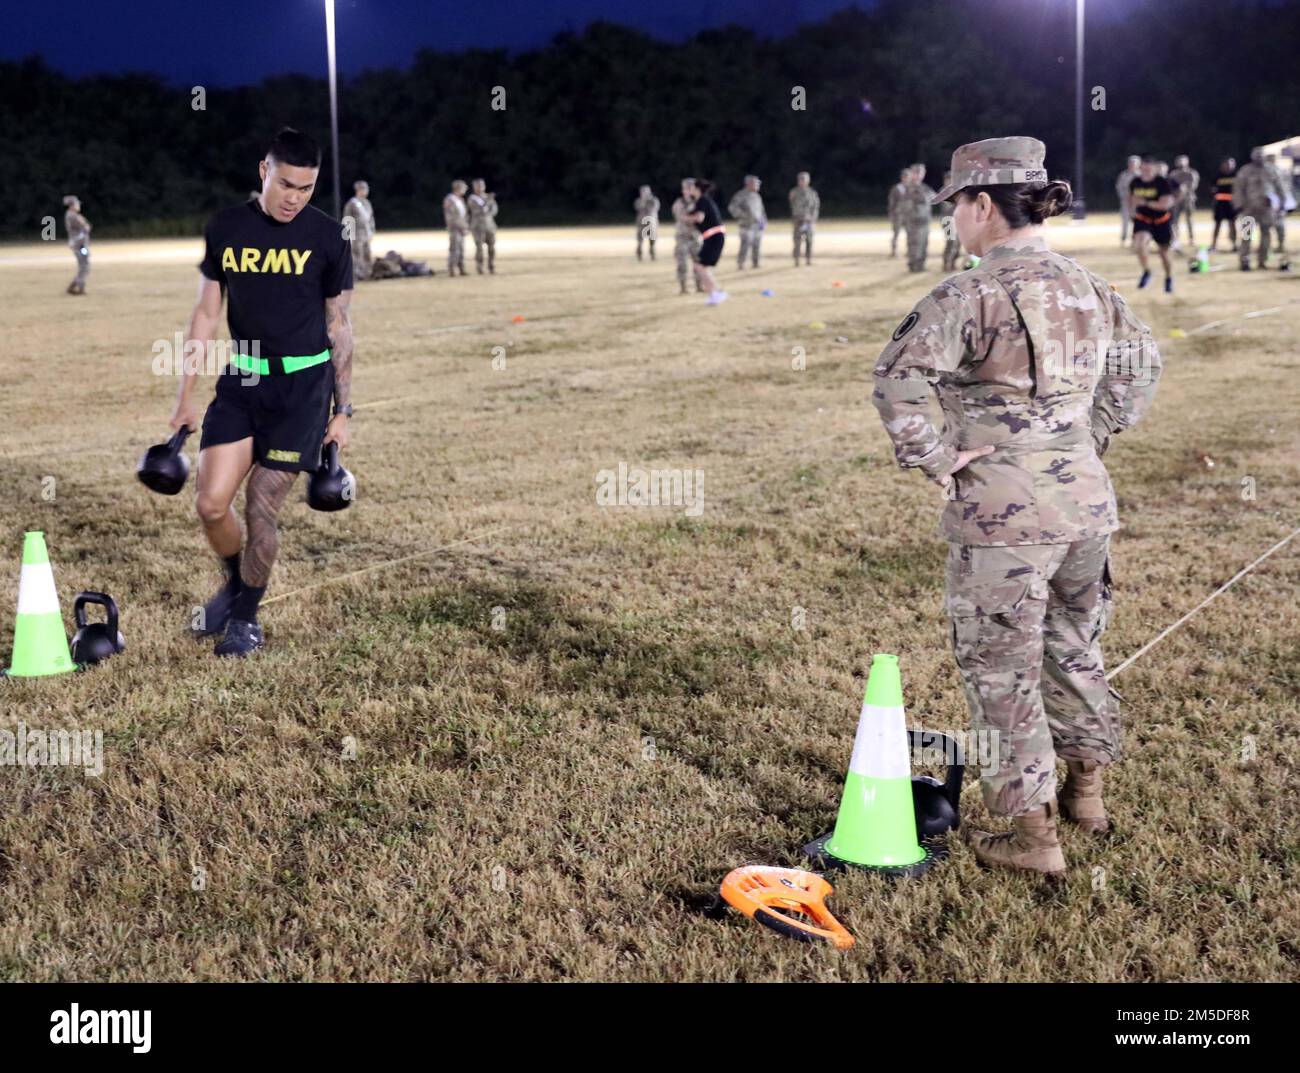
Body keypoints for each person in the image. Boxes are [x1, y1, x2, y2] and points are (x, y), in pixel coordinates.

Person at [872, 136, 1162, 877]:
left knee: (1001, 671)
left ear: (981, 205)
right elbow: (1139, 366)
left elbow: (896, 380)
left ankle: (1033, 838)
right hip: (1086, 507)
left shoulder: (966, 294)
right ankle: (1086, 795)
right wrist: (1086, 441)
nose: (953, 224)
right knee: (1074, 647)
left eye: (956, 208)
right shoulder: (1092, 287)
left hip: (1005, 519)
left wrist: (936, 457)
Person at [168, 127, 354, 657]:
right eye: (287, 184)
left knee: (261, 507)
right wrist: (185, 398)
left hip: (303, 388)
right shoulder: (226, 227)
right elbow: (207, 313)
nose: (295, 197)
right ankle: (234, 587)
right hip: (243, 380)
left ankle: (246, 619)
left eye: (308, 187)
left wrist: (343, 411)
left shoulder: (328, 236)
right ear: (263, 172)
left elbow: (338, 325)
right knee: (209, 504)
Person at [1232, 147, 1287, 271]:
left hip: (1267, 209)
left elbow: (1280, 187)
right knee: (1246, 235)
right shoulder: (1245, 171)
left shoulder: (1272, 170)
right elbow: (1238, 189)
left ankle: (1262, 260)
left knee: (1266, 235)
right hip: (1249, 209)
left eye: (1261, 156)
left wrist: (1282, 203)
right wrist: (1239, 205)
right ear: (1252, 157)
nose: (1259, 158)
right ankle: (1244, 260)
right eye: (1257, 156)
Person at [1128, 157, 1176, 292]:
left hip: (1162, 221)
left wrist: (1146, 202)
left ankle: (1168, 277)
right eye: (1143, 167)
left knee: (1164, 254)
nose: (1146, 170)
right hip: (1143, 219)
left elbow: (1164, 205)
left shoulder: (1162, 182)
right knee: (1139, 245)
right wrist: (1132, 211)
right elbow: (1131, 198)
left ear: (1154, 168)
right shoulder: (1135, 182)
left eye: (1149, 167)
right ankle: (1147, 271)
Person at [684, 178, 727, 304]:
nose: (689, 190)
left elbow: (699, 218)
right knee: (703, 267)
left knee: (700, 266)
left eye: (691, 188)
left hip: (714, 237)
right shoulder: (701, 201)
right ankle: (715, 293)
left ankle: (716, 294)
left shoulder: (702, 200)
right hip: (712, 237)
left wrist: (685, 217)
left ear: (697, 189)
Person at [671, 177, 704, 295]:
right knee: (682, 264)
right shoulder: (679, 203)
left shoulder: (699, 202)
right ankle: (683, 287)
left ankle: (699, 286)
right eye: (688, 188)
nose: (690, 190)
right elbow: (682, 217)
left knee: (699, 263)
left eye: (693, 188)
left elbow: (703, 218)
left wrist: (697, 218)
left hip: (695, 237)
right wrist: (695, 218)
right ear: (683, 190)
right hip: (682, 237)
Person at [901, 163, 936, 272]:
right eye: (918, 172)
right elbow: (913, 203)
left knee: (924, 243)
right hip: (914, 221)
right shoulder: (909, 187)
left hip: (924, 220)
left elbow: (934, 197)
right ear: (913, 173)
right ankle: (914, 266)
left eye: (922, 172)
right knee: (914, 245)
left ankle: (920, 265)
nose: (921, 175)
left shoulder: (923, 187)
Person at [728, 175, 767, 269]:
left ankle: (755, 262)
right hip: (746, 225)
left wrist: (764, 220)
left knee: (757, 244)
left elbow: (761, 210)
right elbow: (732, 208)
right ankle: (741, 263)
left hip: (757, 225)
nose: (758, 185)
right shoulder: (741, 195)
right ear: (749, 184)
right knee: (745, 244)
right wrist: (744, 216)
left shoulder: (757, 196)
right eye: (756, 183)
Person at [342, 180, 376, 281]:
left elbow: (371, 218)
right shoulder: (352, 203)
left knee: (367, 255)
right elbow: (347, 219)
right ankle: (356, 275)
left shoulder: (367, 203)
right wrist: (348, 237)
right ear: (358, 190)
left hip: (366, 233)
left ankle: (367, 274)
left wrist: (372, 231)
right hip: (356, 234)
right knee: (357, 255)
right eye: (364, 189)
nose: (366, 191)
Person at [467, 178, 499, 274]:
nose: (480, 187)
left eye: (482, 185)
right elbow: (478, 211)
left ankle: (491, 265)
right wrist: (488, 204)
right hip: (478, 227)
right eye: (478, 186)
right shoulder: (472, 199)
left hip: (490, 226)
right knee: (479, 248)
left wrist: (488, 205)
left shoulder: (487, 197)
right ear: (474, 187)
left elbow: (494, 210)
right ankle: (479, 267)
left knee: (492, 247)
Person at [789, 171, 820, 265]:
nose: (802, 181)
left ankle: (808, 259)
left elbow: (816, 206)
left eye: (804, 179)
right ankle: (797, 259)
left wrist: (812, 218)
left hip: (809, 221)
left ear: (808, 181)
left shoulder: (812, 193)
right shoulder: (794, 192)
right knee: (797, 240)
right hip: (798, 220)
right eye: (800, 179)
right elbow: (793, 205)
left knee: (809, 240)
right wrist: (798, 216)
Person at [62, 195, 91, 295]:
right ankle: (80, 288)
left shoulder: (70, 215)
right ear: (72, 205)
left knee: (83, 265)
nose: (79, 205)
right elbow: (85, 227)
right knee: (84, 266)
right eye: (77, 204)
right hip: (80, 244)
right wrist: (86, 226)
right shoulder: (73, 216)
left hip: (78, 243)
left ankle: (73, 286)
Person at [1168, 155, 1199, 246]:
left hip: (1188, 199)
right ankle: (1175, 238)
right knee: (1174, 220)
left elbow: (1193, 186)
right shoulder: (1173, 174)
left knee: (1189, 219)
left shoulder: (1192, 173)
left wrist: (1182, 189)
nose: (1181, 163)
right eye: (1179, 161)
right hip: (1176, 200)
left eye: (1183, 161)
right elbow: (1170, 186)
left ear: (1187, 162)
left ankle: (1191, 238)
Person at [1210, 157, 1238, 252]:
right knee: (1217, 224)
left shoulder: (1237, 176)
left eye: (1231, 164)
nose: (1228, 166)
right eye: (1226, 164)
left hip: (1232, 205)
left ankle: (1234, 245)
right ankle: (1213, 245)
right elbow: (1212, 189)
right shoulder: (1217, 176)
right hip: (1220, 205)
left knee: (1232, 224)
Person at [443, 180, 470, 276]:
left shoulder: (460, 200)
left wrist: (465, 226)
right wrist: (462, 227)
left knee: (461, 249)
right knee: (454, 249)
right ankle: (452, 269)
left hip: (461, 227)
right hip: (455, 228)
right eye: (464, 188)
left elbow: (463, 215)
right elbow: (453, 217)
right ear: (458, 188)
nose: (465, 190)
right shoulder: (450, 199)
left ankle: (461, 268)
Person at [938, 171, 963, 271]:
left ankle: (952, 262)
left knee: (958, 243)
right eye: (948, 179)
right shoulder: (944, 191)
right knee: (951, 242)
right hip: (947, 220)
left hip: (957, 219)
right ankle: (946, 264)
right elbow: (947, 207)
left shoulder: (955, 191)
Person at [1115, 155, 1141, 246]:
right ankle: (1123, 239)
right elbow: (1119, 187)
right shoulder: (1124, 175)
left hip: (1137, 202)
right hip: (1125, 201)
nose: (1132, 165)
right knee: (1125, 220)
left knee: (1137, 221)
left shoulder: (1141, 175)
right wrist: (1124, 197)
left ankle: (1134, 239)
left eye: (1135, 163)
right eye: (1131, 163)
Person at [887, 168, 910, 257]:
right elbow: (891, 202)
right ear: (901, 177)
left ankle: (909, 251)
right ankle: (894, 250)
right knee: (896, 233)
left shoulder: (913, 188)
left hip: (909, 214)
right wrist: (891, 213)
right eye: (904, 176)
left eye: (907, 176)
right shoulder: (896, 188)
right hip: (898, 214)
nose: (906, 178)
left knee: (910, 233)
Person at [634, 185, 660, 261]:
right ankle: (639, 255)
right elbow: (638, 207)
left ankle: (652, 254)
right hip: (641, 223)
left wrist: (647, 201)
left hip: (651, 222)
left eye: (645, 192)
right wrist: (643, 201)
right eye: (642, 192)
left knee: (652, 240)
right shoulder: (639, 201)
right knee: (640, 240)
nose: (644, 193)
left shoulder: (654, 200)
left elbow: (654, 209)